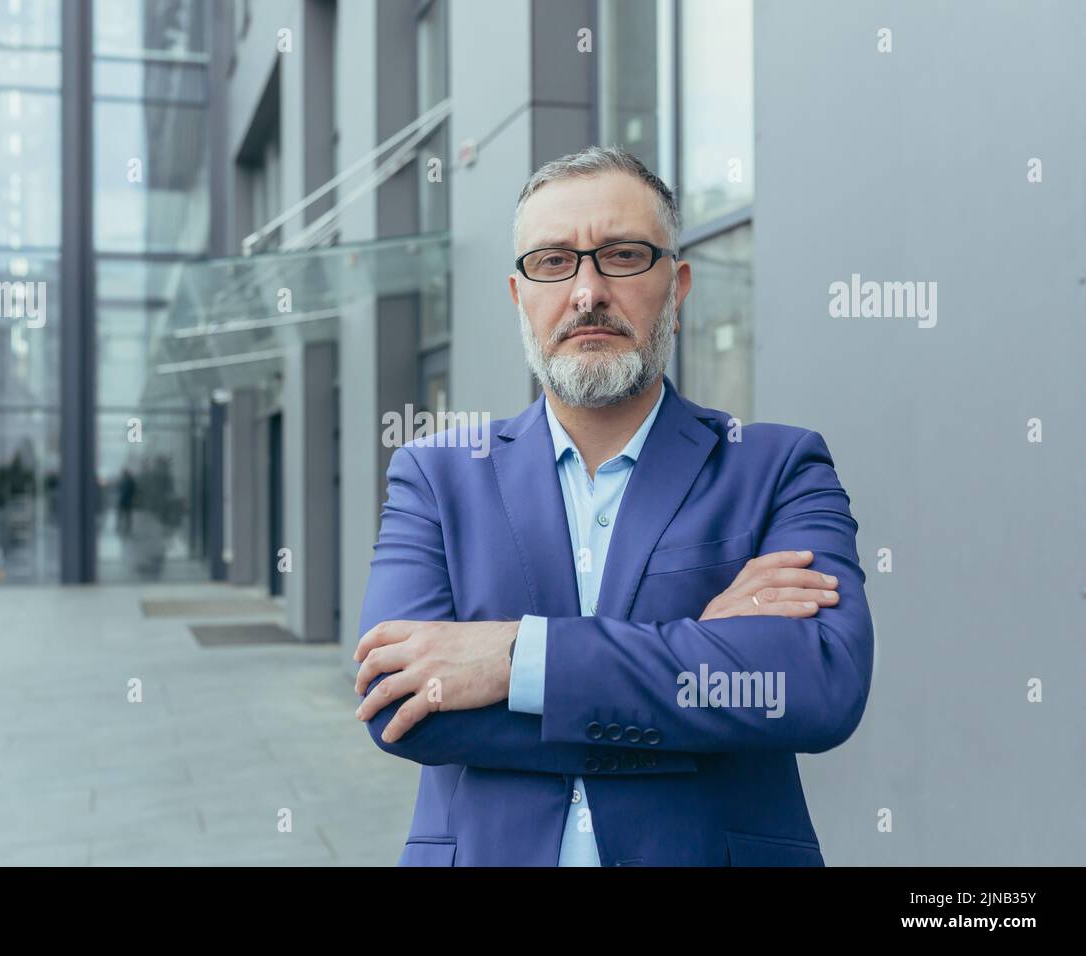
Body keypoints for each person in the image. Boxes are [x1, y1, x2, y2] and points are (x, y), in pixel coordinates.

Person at [354, 146, 873, 867]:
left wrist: (516, 660)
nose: (588, 291)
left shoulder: (778, 466)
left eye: (623, 256)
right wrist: (697, 657)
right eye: (553, 262)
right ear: (518, 295)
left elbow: (815, 685)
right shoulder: (436, 475)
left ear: (679, 285)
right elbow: (400, 705)